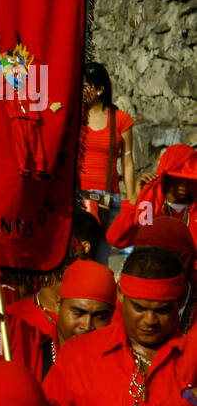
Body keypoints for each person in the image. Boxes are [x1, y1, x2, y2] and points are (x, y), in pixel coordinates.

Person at [44, 247, 186, 406]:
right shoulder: (79, 355)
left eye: (161, 310)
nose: (149, 320)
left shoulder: (191, 361)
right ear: (121, 294)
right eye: (139, 308)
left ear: (181, 299)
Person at [9, 258, 116, 379]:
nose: (87, 325)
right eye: (78, 313)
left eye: (100, 317)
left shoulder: (119, 366)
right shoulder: (27, 348)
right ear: (58, 305)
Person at [78, 62, 135, 263]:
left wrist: (133, 198)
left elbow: (127, 161)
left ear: (100, 89)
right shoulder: (75, 117)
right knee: (78, 257)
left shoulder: (120, 119)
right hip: (78, 197)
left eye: (87, 85)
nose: (82, 89)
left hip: (108, 199)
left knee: (101, 259)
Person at [107, 143, 197, 253]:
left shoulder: (194, 210)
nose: (183, 183)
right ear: (165, 176)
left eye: (188, 178)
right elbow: (116, 239)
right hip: (154, 267)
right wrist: (135, 200)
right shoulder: (149, 205)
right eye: (177, 177)